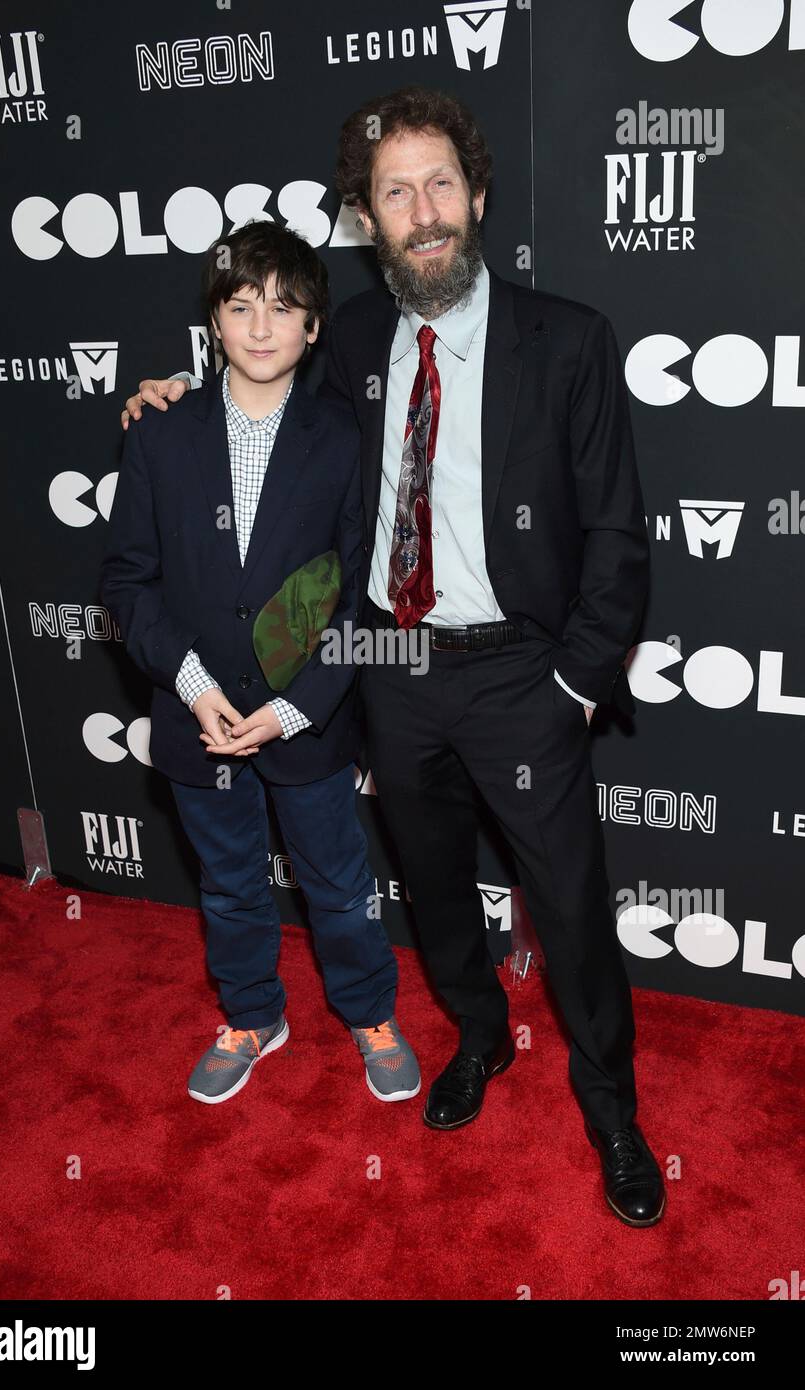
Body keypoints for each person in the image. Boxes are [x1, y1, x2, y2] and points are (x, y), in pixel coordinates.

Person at [120, 87, 664, 1227]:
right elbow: (255, 402)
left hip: (526, 675)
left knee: (566, 905)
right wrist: (167, 402)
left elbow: (618, 531)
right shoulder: (353, 337)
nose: (421, 212)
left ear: (477, 196)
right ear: (365, 218)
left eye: (439, 186)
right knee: (432, 891)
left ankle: (613, 1107)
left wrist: (574, 682)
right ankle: (475, 1038)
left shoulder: (567, 340)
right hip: (390, 665)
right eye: (394, 193)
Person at [100, 221, 419, 1108]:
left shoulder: (345, 438)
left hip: (305, 721)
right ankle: (251, 1014)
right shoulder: (161, 432)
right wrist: (193, 687)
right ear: (212, 320)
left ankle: (367, 1012)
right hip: (194, 718)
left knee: (337, 882)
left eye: (284, 308)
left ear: (313, 326)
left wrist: (296, 707)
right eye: (240, 306)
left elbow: (358, 595)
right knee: (229, 883)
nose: (262, 326)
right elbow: (127, 581)